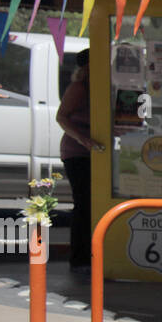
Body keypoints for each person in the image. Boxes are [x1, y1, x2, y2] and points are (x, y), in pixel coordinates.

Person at [56, 49, 104, 270]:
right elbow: (61, 117)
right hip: (77, 152)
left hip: (97, 150)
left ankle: (93, 252)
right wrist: (83, 139)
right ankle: (79, 257)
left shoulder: (103, 86)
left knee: (94, 202)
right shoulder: (79, 87)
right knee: (84, 203)